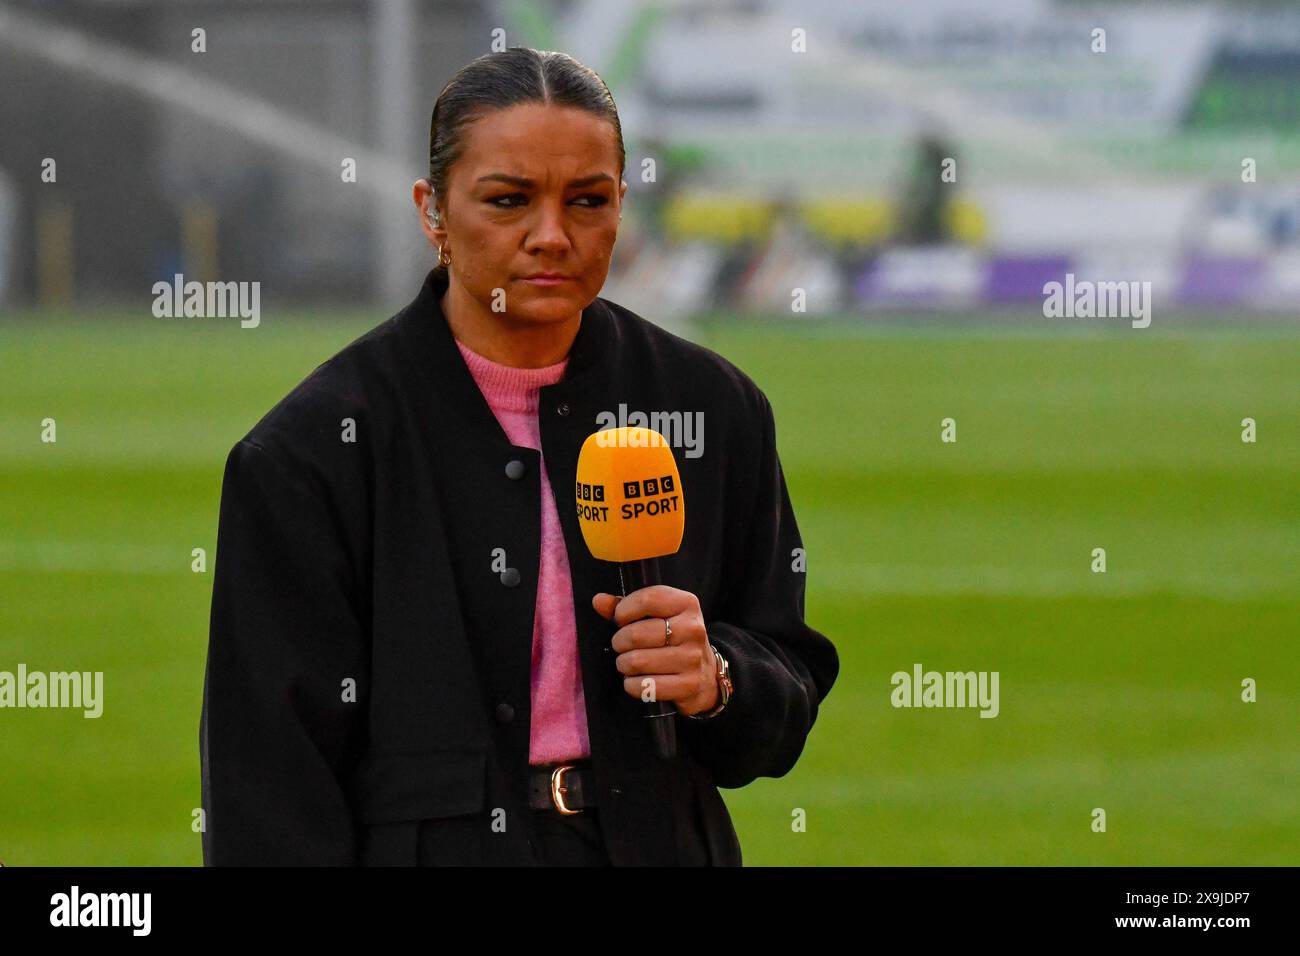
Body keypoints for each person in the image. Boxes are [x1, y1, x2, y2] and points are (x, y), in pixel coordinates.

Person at [199, 46, 838, 867]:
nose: (552, 236)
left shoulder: (716, 408)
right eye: (508, 200)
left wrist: (717, 677)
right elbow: (268, 785)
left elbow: (784, 701)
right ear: (432, 211)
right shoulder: (311, 450)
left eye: (588, 200)